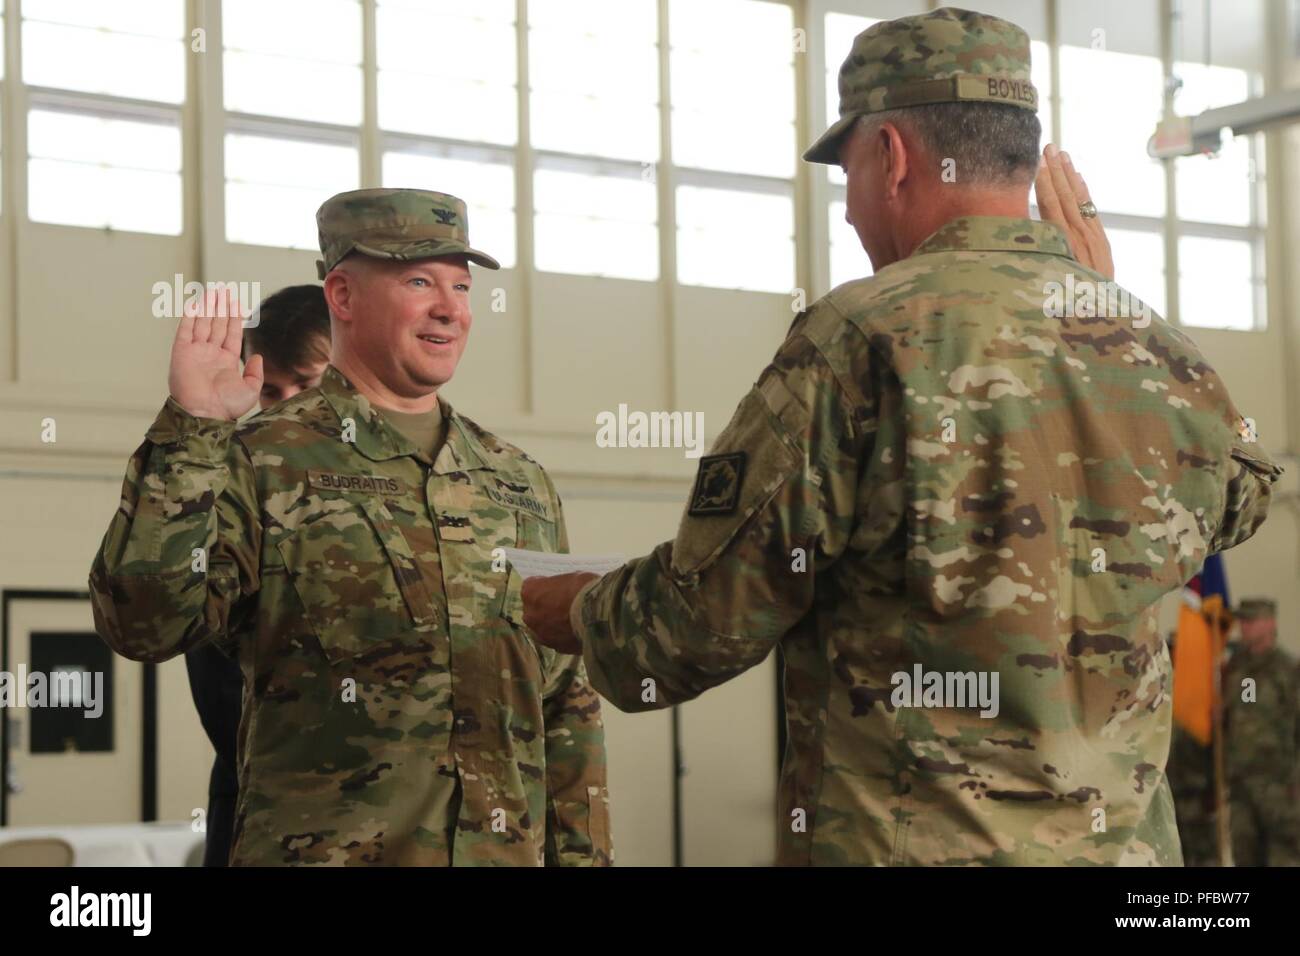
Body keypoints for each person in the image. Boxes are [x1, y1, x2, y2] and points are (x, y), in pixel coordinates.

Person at [522, 7, 1280, 865]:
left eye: (846, 172)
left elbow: (697, 622)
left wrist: (576, 609)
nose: (847, 213)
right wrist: (1100, 314)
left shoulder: (860, 336)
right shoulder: (1151, 343)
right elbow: (1245, 488)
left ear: (891, 154)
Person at [90, 188, 611, 866]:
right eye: (420, 281)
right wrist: (190, 432)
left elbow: (567, 701)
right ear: (341, 295)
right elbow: (142, 624)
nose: (450, 308)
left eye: (461, 285)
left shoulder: (519, 483)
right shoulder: (262, 460)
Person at [184, 283, 331, 867]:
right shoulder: (227, 476)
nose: (289, 404)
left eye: (308, 386)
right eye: (271, 390)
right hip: (263, 797)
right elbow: (214, 670)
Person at [1221, 598, 1299, 865]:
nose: (1243, 626)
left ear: (1270, 623)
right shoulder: (1236, 667)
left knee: (1282, 856)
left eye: (1251, 620)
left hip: (1278, 785)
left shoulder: (1288, 670)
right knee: (1244, 855)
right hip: (1241, 784)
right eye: (1242, 621)